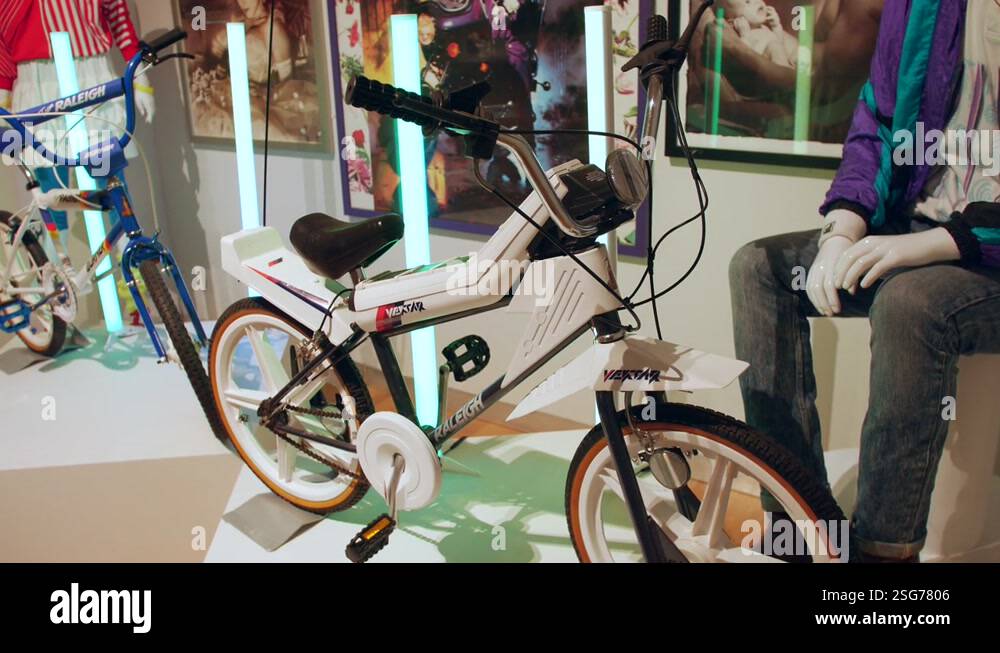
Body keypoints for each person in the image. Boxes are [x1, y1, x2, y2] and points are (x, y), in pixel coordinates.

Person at [729, 0, 1000, 562]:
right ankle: (799, 522)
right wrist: (843, 227)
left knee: (910, 303)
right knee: (758, 267)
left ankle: (881, 555)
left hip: (982, 249)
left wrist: (943, 244)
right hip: (921, 220)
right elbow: (877, 121)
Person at [0, 0, 154, 240]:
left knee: (109, 174)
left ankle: (133, 262)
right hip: (36, 80)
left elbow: (116, 11)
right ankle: (58, 268)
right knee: (51, 186)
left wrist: (138, 75)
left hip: (88, 75)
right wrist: (3, 100)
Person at [720, 0, 796, 68]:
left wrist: (776, 26)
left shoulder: (765, 28)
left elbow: (780, 44)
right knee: (774, 47)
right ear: (735, 21)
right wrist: (745, 35)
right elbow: (745, 58)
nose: (756, 1)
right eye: (747, 2)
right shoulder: (745, 35)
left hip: (784, 65)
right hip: (771, 71)